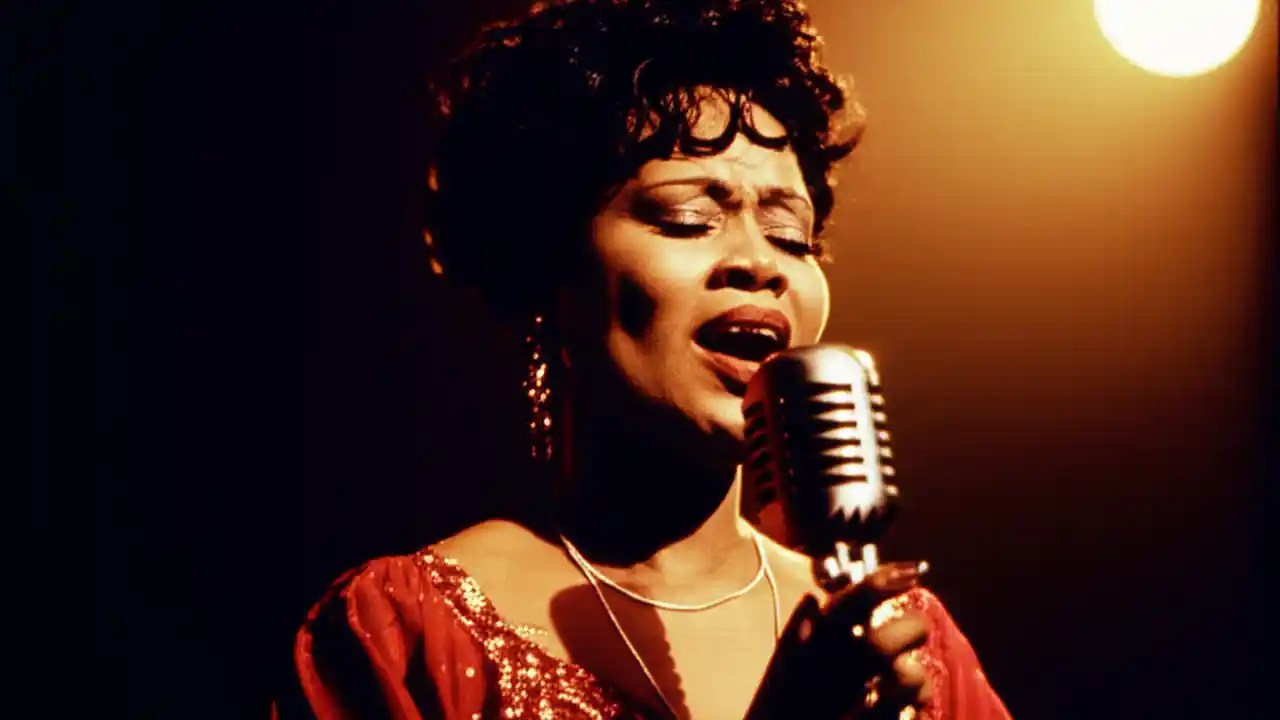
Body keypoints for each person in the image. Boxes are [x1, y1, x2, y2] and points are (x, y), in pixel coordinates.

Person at [280, 1, 1012, 718]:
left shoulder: (904, 645)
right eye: (687, 220)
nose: (761, 263)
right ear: (545, 268)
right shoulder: (399, 629)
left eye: (792, 236)